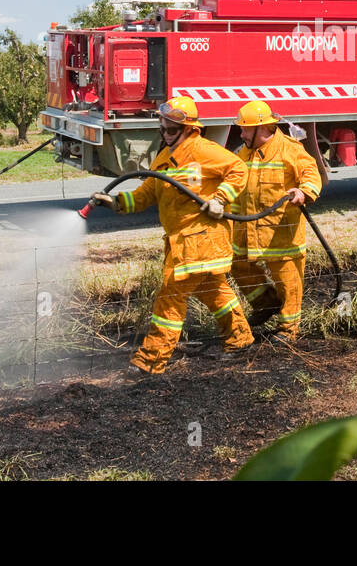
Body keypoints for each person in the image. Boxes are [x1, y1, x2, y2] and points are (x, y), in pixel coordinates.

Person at [91, 95, 253, 374]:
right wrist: (116, 202)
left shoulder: (203, 150)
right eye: (163, 129)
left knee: (169, 299)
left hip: (199, 239)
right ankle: (240, 339)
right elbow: (146, 195)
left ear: (190, 129)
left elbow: (237, 169)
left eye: (171, 130)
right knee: (214, 290)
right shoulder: (165, 159)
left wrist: (220, 199)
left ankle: (150, 361)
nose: (165, 134)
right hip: (184, 241)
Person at [229, 99, 322, 342]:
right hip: (248, 231)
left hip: (280, 233)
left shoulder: (290, 149)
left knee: (287, 281)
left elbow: (311, 174)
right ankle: (266, 303)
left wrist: (304, 192)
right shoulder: (243, 153)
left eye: (245, 129)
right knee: (237, 265)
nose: (241, 133)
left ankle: (288, 330)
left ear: (263, 129)